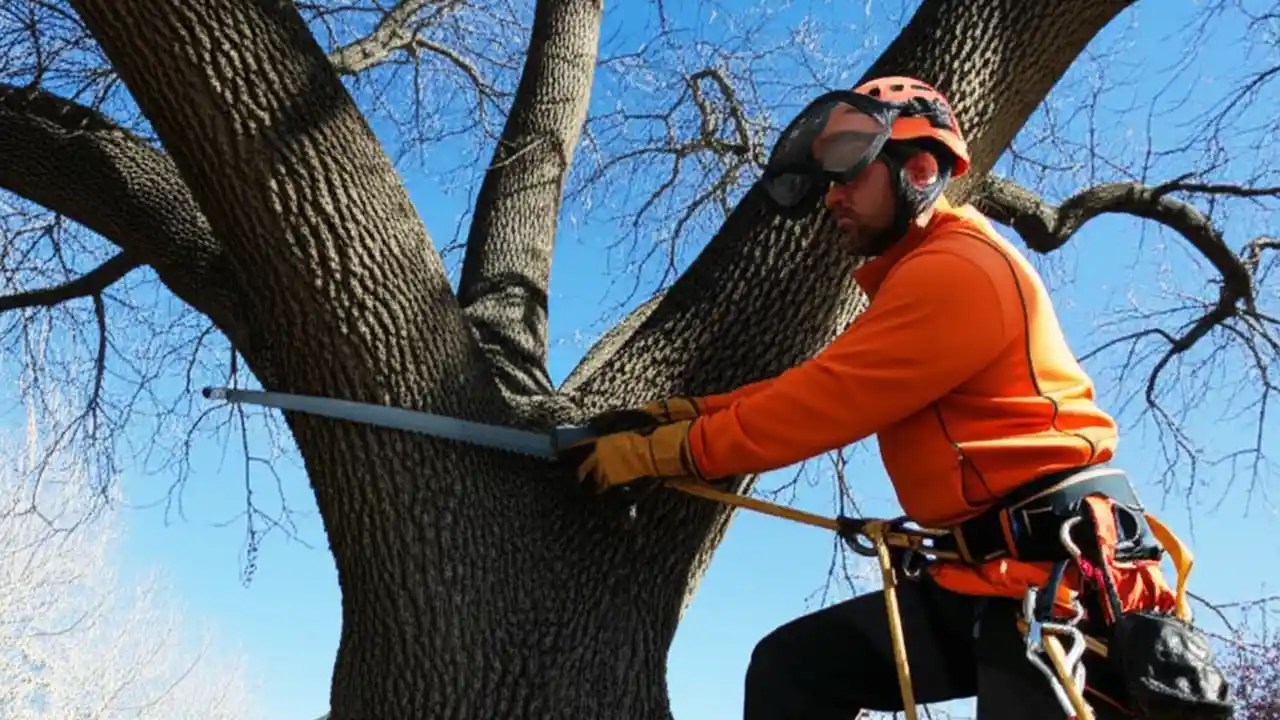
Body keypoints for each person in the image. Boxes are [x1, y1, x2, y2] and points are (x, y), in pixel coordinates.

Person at [560, 77, 1220, 719]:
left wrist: (670, 452)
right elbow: (822, 382)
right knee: (796, 670)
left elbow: (820, 404)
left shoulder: (957, 271)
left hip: (1062, 579)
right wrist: (688, 414)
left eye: (850, 175)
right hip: (984, 579)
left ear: (922, 170)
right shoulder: (922, 277)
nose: (832, 198)